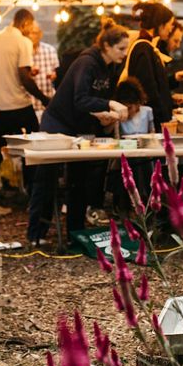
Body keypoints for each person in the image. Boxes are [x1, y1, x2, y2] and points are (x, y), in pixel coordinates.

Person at [26, 24, 131, 245]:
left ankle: (76, 233)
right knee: (46, 177)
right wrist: (110, 103)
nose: (124, 53)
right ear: (106, 46)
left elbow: (92, 102)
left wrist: (103, 114)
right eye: (121, 48)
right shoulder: (87, 63)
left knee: (79, 180)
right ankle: (36, 234)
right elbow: (81, 98)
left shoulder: (111, 67)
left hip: (81, 125)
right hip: (57, 122)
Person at [0, 9, 48, 196]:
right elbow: (24, 78)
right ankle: (32, 192)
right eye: (31, 27)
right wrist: (45, 99)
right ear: (25, 23)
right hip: (19, 105)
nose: (31, 32)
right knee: (33, 148)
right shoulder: (22, 41)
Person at [120, 2, 176, 128]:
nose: (171, 29)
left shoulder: (149, 48)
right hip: (148, 124)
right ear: (160, 24)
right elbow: (148, 90)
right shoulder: (143, 48)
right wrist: (162, 119)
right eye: (170, 24)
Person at [27, 24, 59, 111]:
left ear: (40, 34)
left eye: (34, 33)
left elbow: (58, 74)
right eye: (28, 33)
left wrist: (54, 76)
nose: (31, 36)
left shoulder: (50, 50)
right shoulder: (23, 52)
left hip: (48, 102)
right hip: (30, 105)